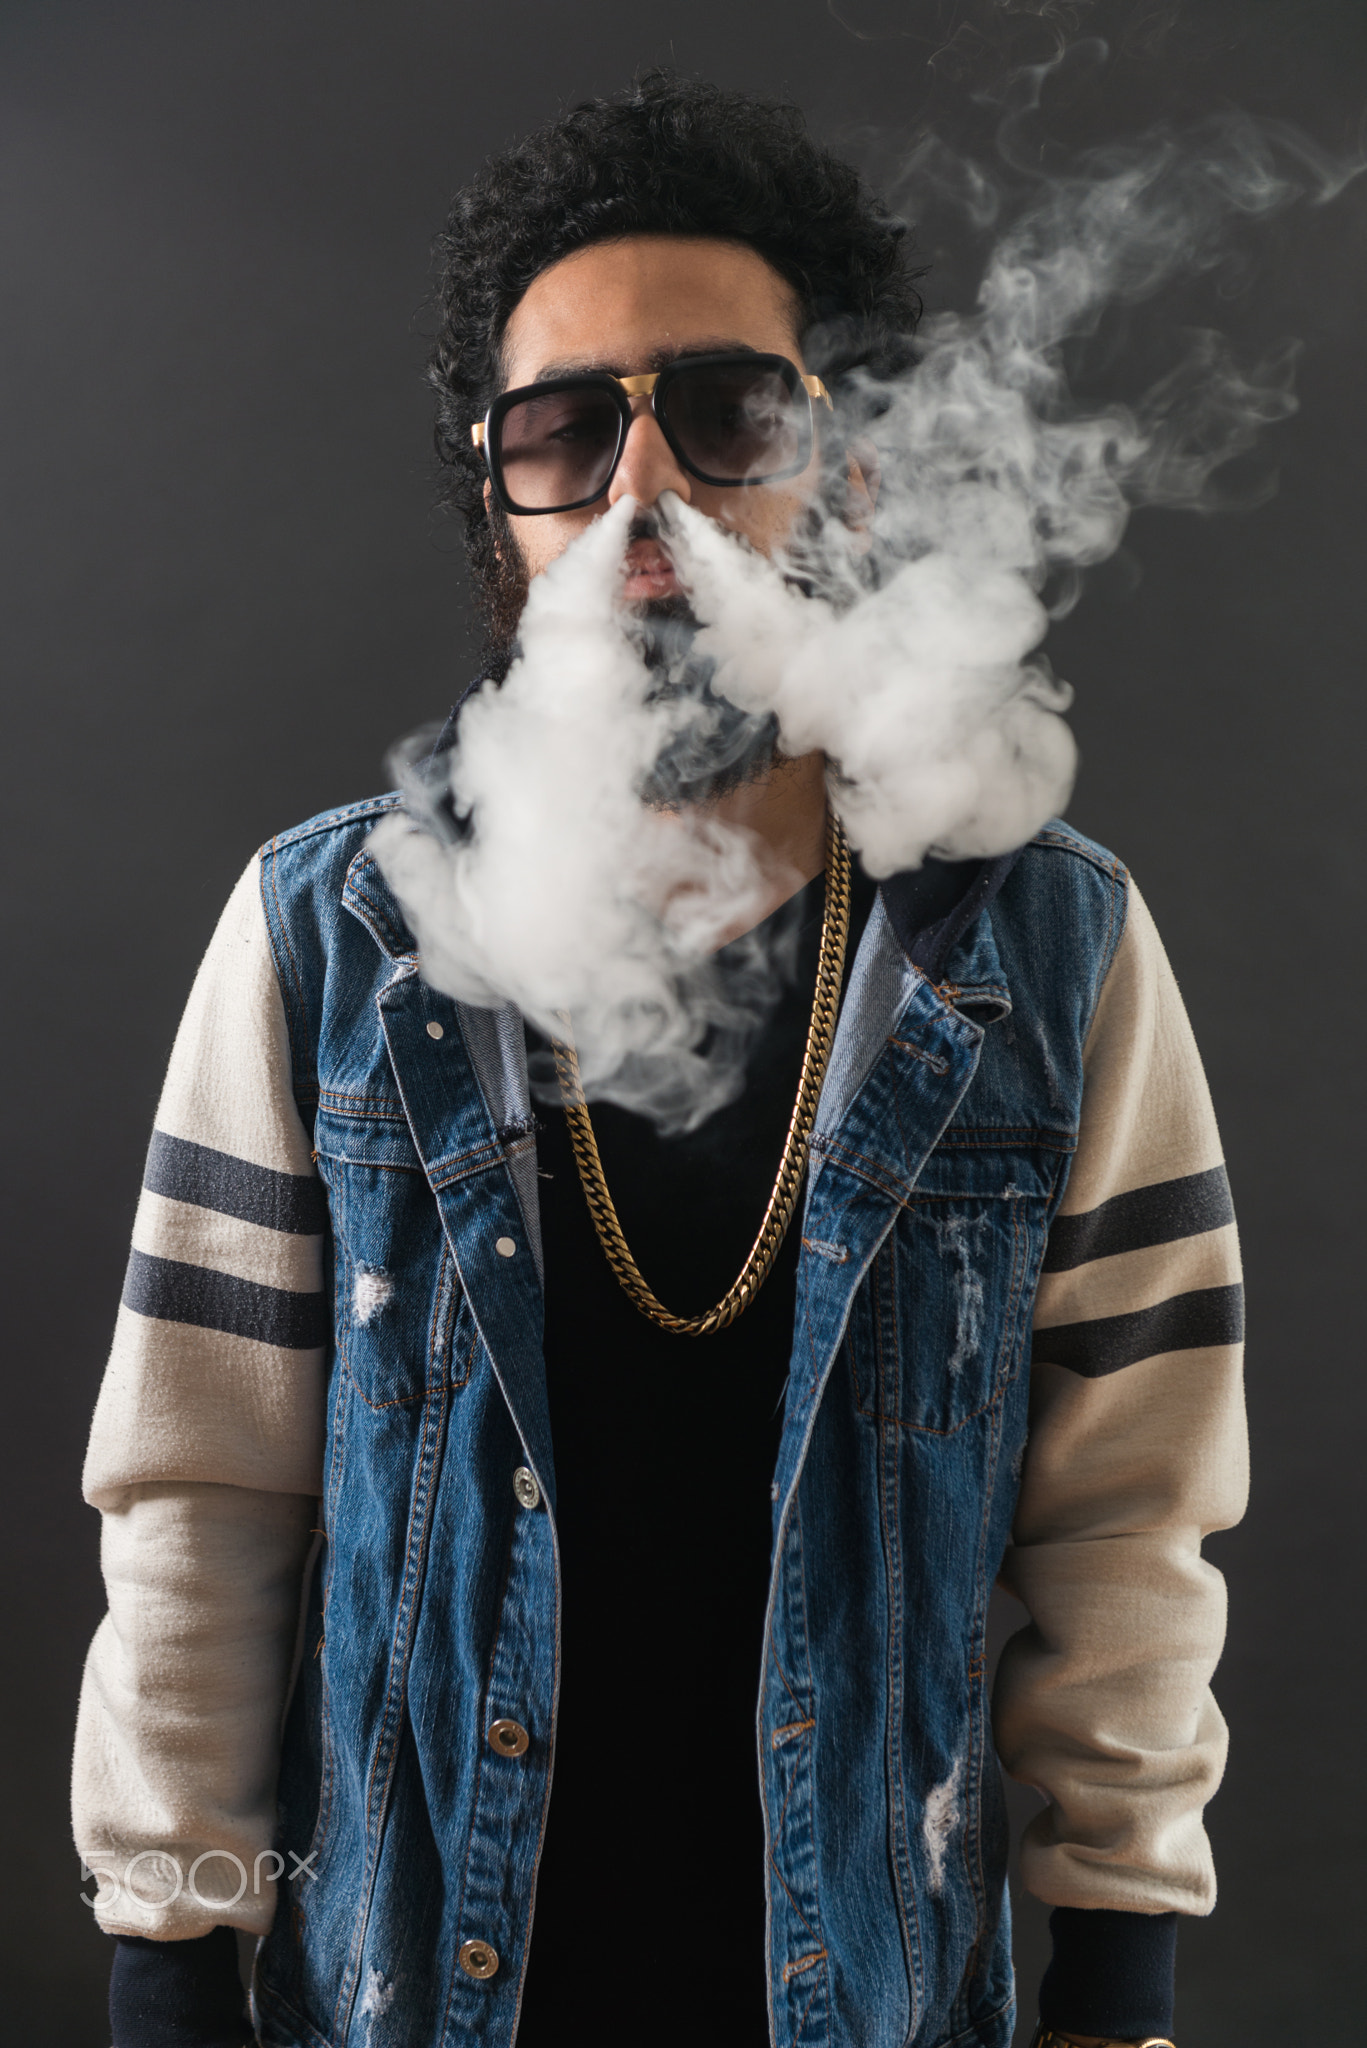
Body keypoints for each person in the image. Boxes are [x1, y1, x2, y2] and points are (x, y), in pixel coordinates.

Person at [74, 73, 1247, 2048]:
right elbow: (200, 1508)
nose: (645, 494)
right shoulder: (326, 941)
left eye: (724, 413)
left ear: (847, 470)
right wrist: (166, 1971)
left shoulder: (1050, 954)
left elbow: (1132, 1526)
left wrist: (1115, 1990)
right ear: (499, 498)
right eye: (564, 430)